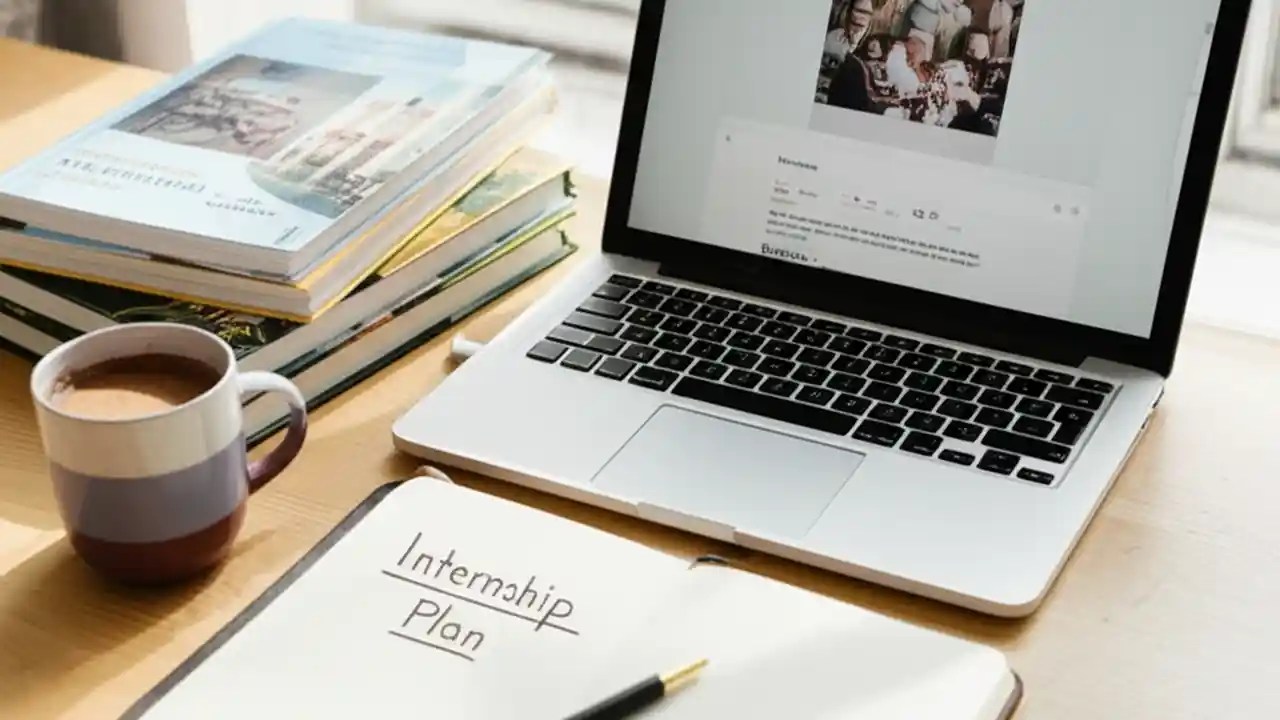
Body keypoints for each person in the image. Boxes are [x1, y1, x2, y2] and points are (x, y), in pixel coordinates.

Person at [823, 0, 874, 70]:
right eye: (859, 11)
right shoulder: (835, 37)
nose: (862, 17)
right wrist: (853, 45)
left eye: (868, 13)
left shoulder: (867, 44)